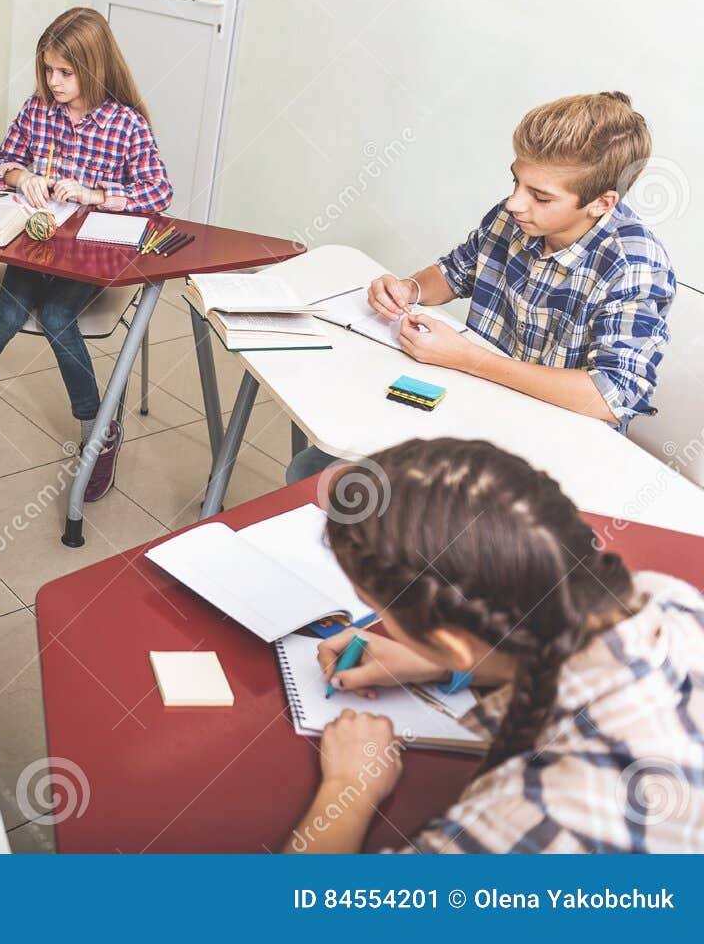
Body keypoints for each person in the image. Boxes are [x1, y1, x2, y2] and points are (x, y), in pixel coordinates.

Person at [285, 437, 704, 853]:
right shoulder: (668, 599)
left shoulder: (538, 821)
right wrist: (447, 661)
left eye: (374, 608)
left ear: (452, 640)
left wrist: (349, 788)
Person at [290, 92, 674, 481]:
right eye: (516, 181)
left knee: (328, 481)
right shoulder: (517, 219)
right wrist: (408, 289)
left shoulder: (634, 267)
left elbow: (609, 397)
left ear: (601, 203)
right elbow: (457, 271)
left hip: (555, 454)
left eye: (540, 196)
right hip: (479, 410)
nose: (514, 203)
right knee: (314, 470)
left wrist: (468, 358)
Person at [0, 7, 171, 501]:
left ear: (95, 67)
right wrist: (24, 177)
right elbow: (2, 163)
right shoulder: (38, 109)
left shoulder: (125, 124)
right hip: (35, 244)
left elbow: (159, 192)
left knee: (59, 315)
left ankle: (98, 431)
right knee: (9, 308)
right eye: (48, 70)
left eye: (66, 72)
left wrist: (97, 195)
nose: (54, 81)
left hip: (89, 255)